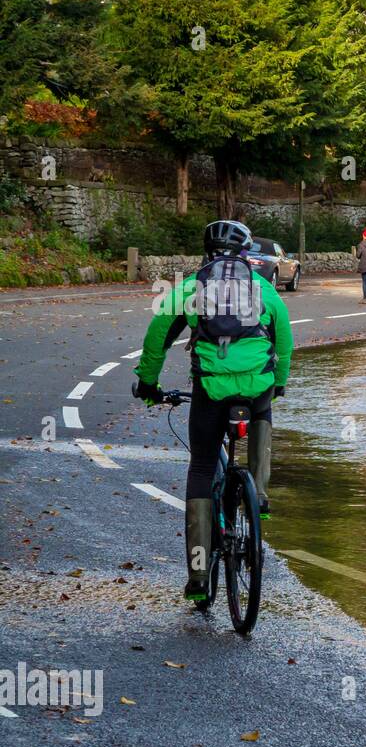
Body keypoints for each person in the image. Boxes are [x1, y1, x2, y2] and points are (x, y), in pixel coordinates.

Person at [133, 220, 293, 602]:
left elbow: (158, 337)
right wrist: (280, 382)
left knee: (203, 467)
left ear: (206, 252)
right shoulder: (263, 289)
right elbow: (284, 339)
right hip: (256, 389)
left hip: (211, 391)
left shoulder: (189, 289)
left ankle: (199, 574)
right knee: (262, 409)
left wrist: (148, 383)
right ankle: (261, 494)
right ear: (246, 253)